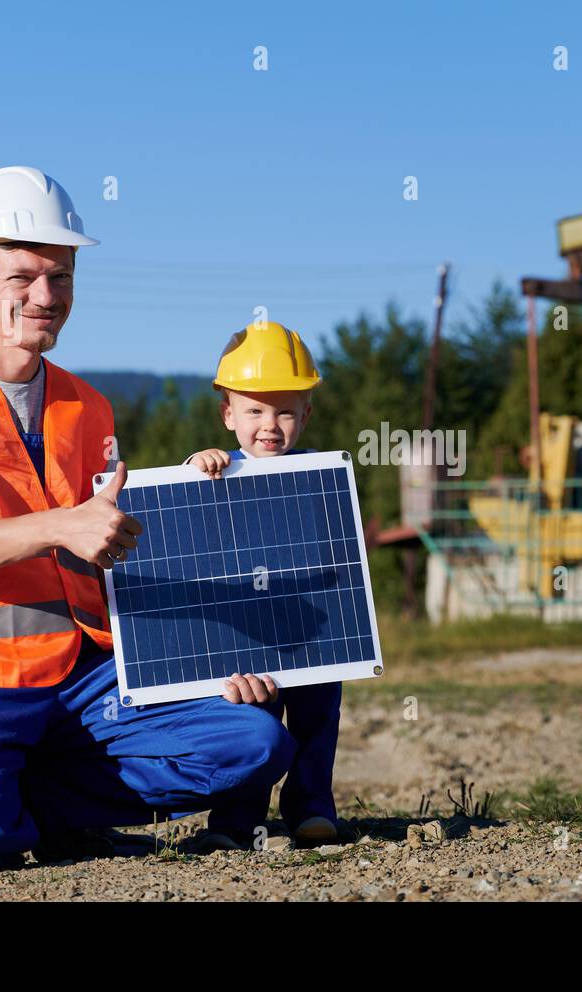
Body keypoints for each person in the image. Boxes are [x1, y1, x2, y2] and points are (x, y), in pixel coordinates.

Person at [0, 166, 292, 873]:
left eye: (61, 276)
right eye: (21, 278)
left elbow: (111, 561)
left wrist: (205, 663)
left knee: (253, 741)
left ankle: (31, 804)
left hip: (77, 682)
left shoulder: (88, 408)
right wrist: (61, 524)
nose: (46, 297)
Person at [185, 321, 343, 847]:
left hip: (310, 623)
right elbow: (184, 514)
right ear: (228, 415)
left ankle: (311, 809)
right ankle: (234, 822)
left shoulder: (320, 475)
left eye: (284, 411)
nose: (269, 424)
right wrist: (198, 463)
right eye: (253, 410)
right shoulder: (218, 470)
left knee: (317, 720)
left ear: (306, 416)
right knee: (252, 719)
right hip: (247, 633)